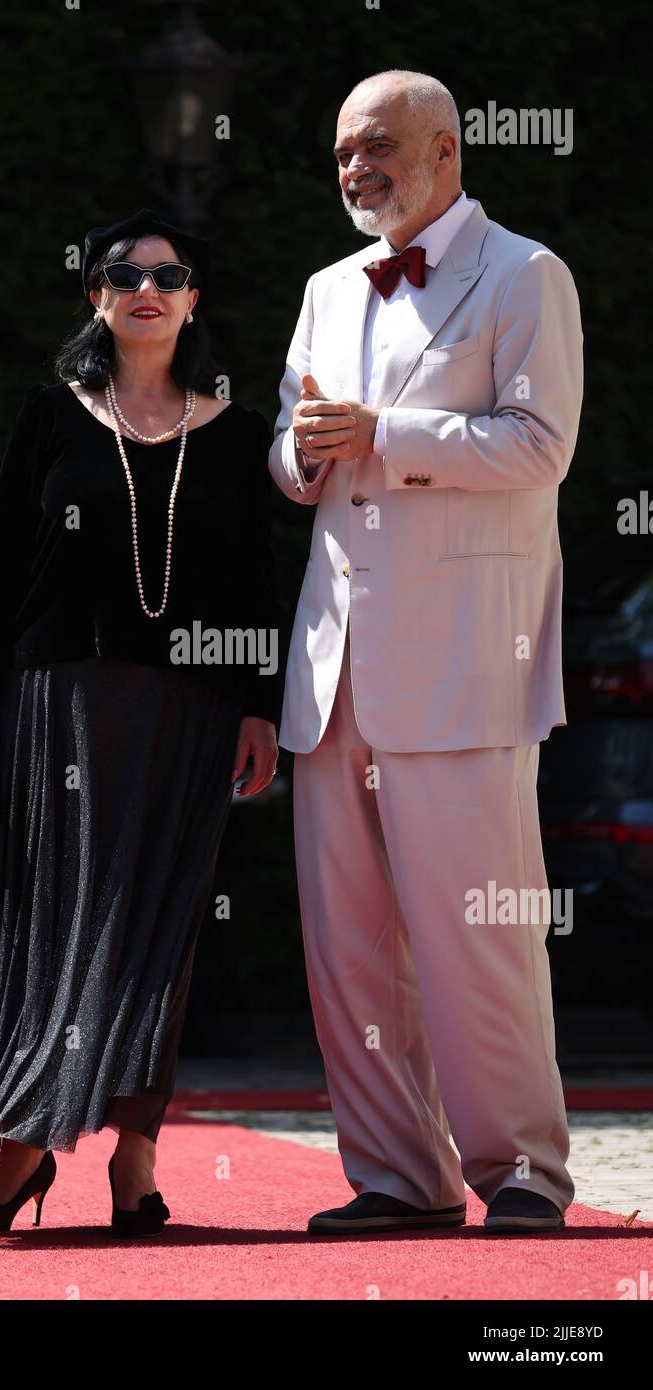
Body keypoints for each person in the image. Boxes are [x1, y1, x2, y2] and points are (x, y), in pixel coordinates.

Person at [0, 206, 281, 1235]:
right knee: (51, 920)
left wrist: (263, 708)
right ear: (96, 297)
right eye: (124, 274)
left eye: (170, 274)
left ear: (194, 301)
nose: (149, 288)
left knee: (160, 931)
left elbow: (258, 582)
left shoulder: (233, 434)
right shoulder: (49, 415)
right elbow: (0, 564)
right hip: (58, 706)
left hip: (191, 712)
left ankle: (135, 1156)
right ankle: (22, 1142)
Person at [269, 70, 583, 1236]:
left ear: (447, 150)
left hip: (463, 662)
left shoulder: (528, 273)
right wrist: (301, 458)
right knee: (350, 948)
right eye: (345, 151)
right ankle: (399, 1176)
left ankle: (526, 1175)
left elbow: (542, 444)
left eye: (379, 147)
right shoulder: (323, 287)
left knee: (479, 937)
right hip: (332, 663)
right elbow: (288, 453)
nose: (357, 169)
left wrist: (385, 435)